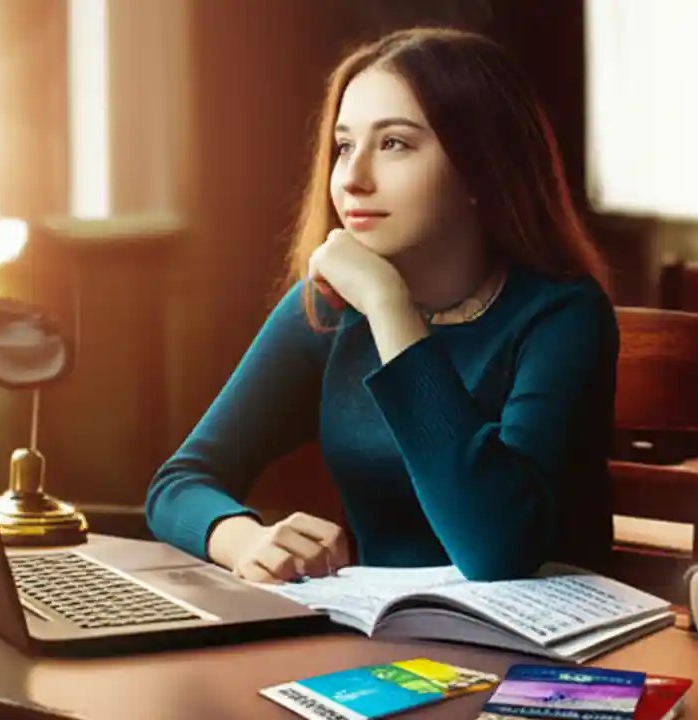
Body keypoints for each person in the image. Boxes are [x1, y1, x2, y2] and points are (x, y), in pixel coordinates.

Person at [145, 27, 617, 584]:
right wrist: (244, 538)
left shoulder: (564, 317)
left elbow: (498, 552)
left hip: (542, 656)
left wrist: (389, 306)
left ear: (480, 167)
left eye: (394, 144)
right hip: (377, 644)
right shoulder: (323, 311)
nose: (351, 179)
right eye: (345, 146)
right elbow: (178, 482)